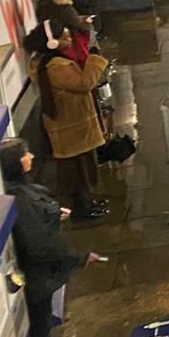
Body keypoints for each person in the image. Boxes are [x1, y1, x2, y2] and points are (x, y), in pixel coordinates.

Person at [0, 139, 93, 337]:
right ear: (16, 163)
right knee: (39, 325)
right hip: (39, 273)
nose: (30, 156)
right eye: (25, 155)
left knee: (43, 325)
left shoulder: (21, 190)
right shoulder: (18, 195)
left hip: (43, 273)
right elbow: (35, 240)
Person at [25, 23, 109, 220]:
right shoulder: (56, 68)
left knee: (82, 167)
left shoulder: (51, 63)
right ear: (52, 43)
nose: (69, 39)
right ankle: (82, 209)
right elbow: (84, 83)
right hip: (72, 126)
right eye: (64, 36)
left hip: (72, 124)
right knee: (76, 171)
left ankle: (87, 201)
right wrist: (94, 58)